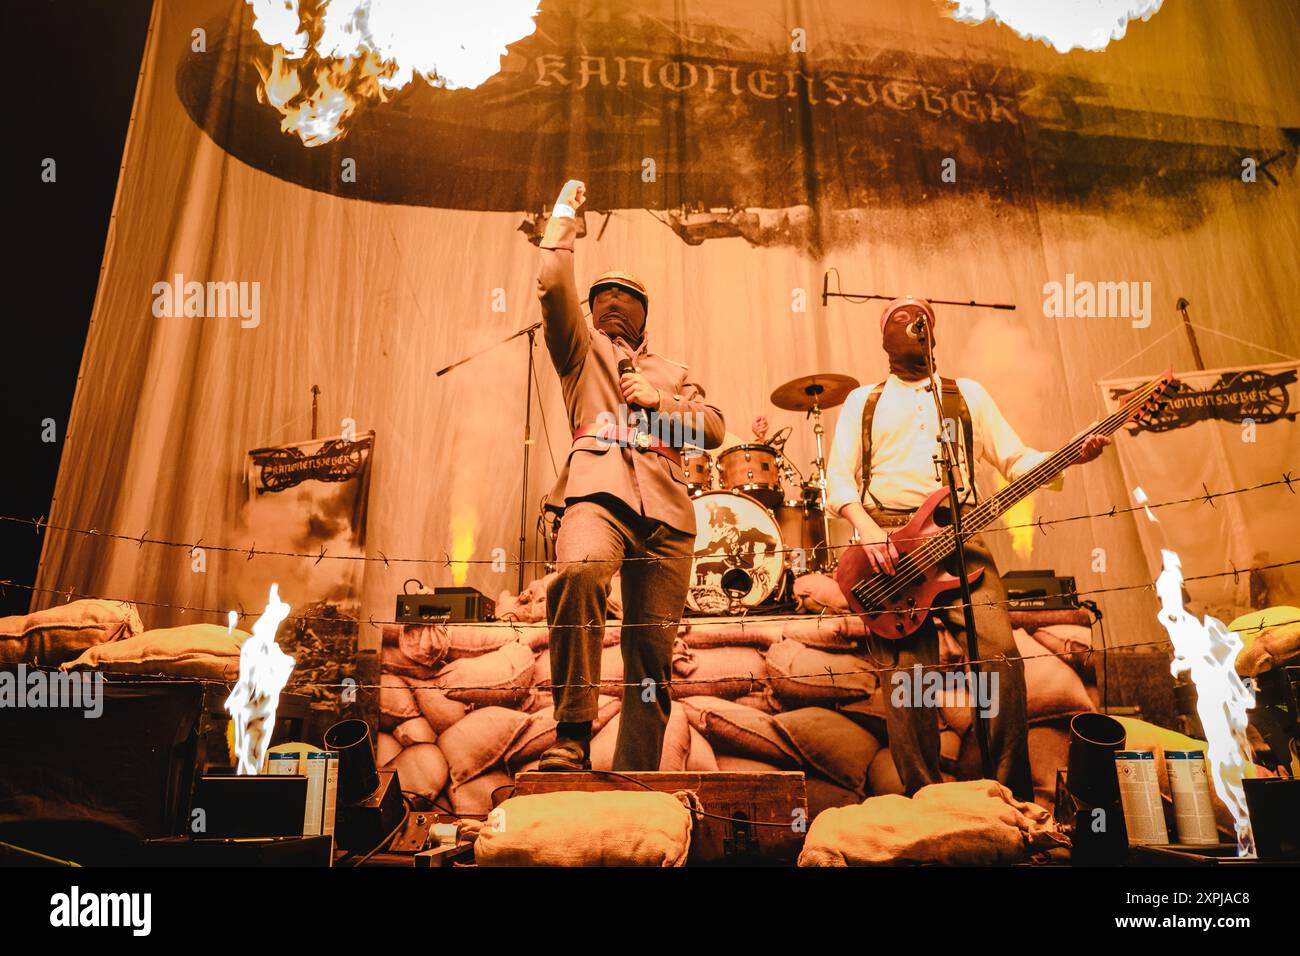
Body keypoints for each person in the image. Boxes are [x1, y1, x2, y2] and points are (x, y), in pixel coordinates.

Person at [825, 296, 1110, 799]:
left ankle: (1010, 793)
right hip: (888, 547)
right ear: (882, 336)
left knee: (1000, 656)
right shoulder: (862, 401)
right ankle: (925, 798)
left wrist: (1070, 457)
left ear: (932, 334)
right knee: (909, 677)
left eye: (919, 318)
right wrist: (866, 529)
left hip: (961, 535)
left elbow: (1016, 458)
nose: (908, 323)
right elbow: (839, 482)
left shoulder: (967, 395)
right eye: (897, 317)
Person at [535, 179, 725, 771]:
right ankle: (571, 737)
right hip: (597, 491)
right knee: (580, 571)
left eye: (626, 296)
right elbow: (552, 285)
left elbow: (713, 429)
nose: (612, 301)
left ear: (645, 313)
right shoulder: (577, 349)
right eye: (602, 295)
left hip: (669, 513)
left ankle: (635, 775)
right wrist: (564, 217)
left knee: (651, 655)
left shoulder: (674, 370)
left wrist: (661, 404)